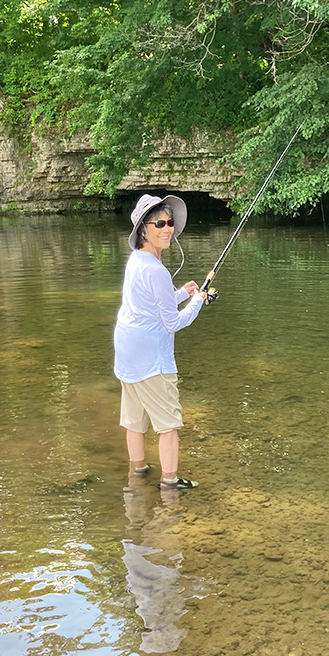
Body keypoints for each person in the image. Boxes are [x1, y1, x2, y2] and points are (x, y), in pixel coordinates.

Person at [114, 194, 206, 490]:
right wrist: (198, 301)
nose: (168, 229)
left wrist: (181, 293)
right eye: (160, 223)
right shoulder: (156, 269)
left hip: (127, 356)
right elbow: (173, 322)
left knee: (134, 420)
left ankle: (138, 472)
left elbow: (151, 303)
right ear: (144, 229)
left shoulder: (137, 260)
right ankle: (169, 483)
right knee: (169, 425)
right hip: (151, 360)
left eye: (170, 223)